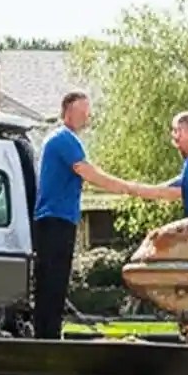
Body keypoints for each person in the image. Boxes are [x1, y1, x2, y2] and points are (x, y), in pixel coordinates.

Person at [31, 90, 129, 339]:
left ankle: (46, 335)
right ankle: (47, 338)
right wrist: (127, 187)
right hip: (56, 220)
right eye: (83, 110)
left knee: (52, 282)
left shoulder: (60, 139)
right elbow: (88, 172)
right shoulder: (65, 139)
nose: (87, 116)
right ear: (68, 110)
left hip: (56, 219)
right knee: (53, 282)